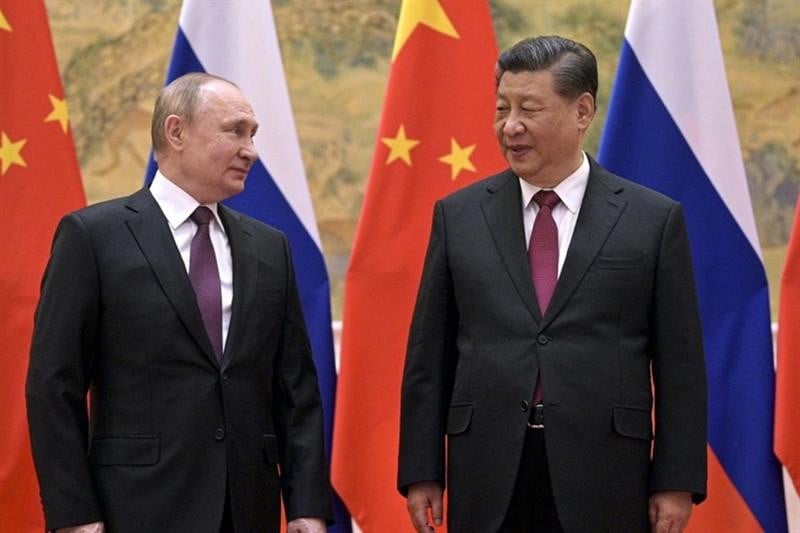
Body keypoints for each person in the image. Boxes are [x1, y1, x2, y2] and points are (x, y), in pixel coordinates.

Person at [398, 36, 707, 532]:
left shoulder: (651, 219)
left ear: (581, 111)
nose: (510, 125)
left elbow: (681, 364)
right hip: (488, 468)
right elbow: (428, 358)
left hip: (606, 470)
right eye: (502, 108)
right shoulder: (459, 216)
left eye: (529, 109)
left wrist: (675, 481)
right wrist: (421, 471)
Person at [26, 73, 331, 533]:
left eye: (253, 134)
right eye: (235, 131)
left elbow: (296, 392)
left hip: (247, 510)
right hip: (134, 510)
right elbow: (54, 385)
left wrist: (307, 505)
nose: (250, 150)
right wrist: (75, 515)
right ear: (176, 132)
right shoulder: (93, 238)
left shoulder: (269, 248)